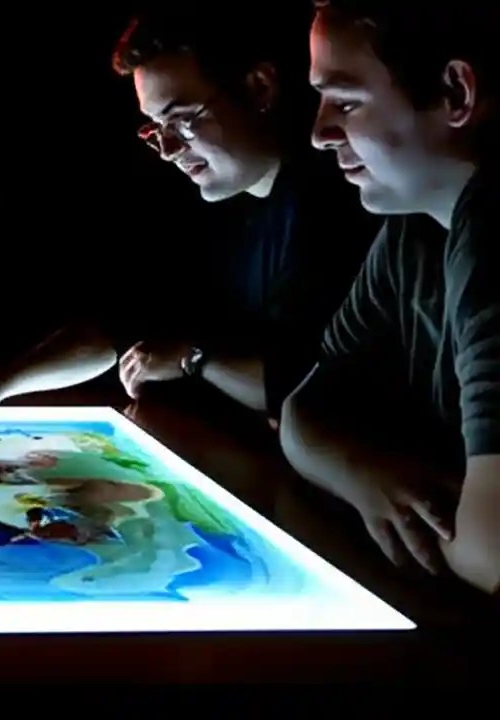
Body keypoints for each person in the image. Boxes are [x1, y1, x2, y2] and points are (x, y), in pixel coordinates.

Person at [0, 4, 376, 438]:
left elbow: (304, 386)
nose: (168, 149)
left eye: (182, 119)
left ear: (259, 87)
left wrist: (193, 358)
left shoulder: (333, 207)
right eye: (155, 128)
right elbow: (119, 325)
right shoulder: (213, 206)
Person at [281, 0, 498, 595]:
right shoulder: (416, 227)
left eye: (345, 102)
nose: (319, 134)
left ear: (456, 94)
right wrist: (366, 478)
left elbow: (492, 554)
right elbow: (305, 410)